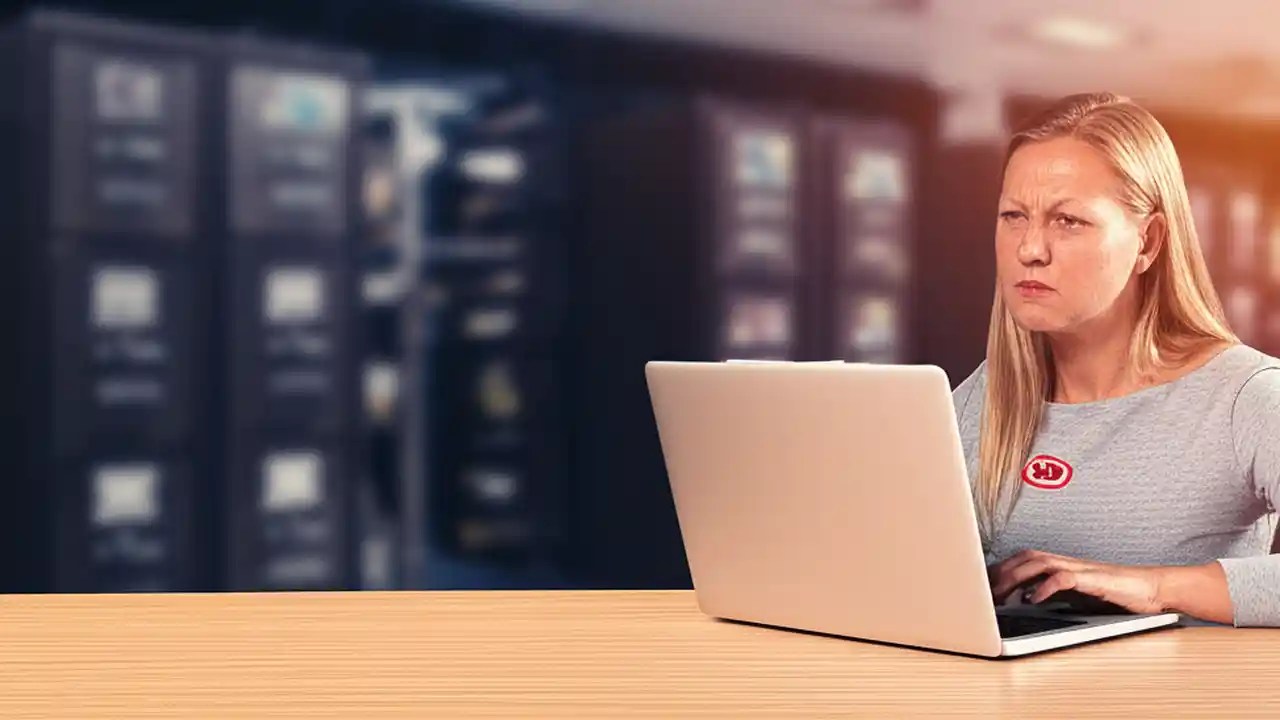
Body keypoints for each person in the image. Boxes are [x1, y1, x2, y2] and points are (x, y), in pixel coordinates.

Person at [952, 92, 1280, 627]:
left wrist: (1152, 586)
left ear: (1147, 242)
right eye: (1013, 216)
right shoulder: (980, 401)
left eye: (1068, 221)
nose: (1030, 248)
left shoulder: (1247, 396)